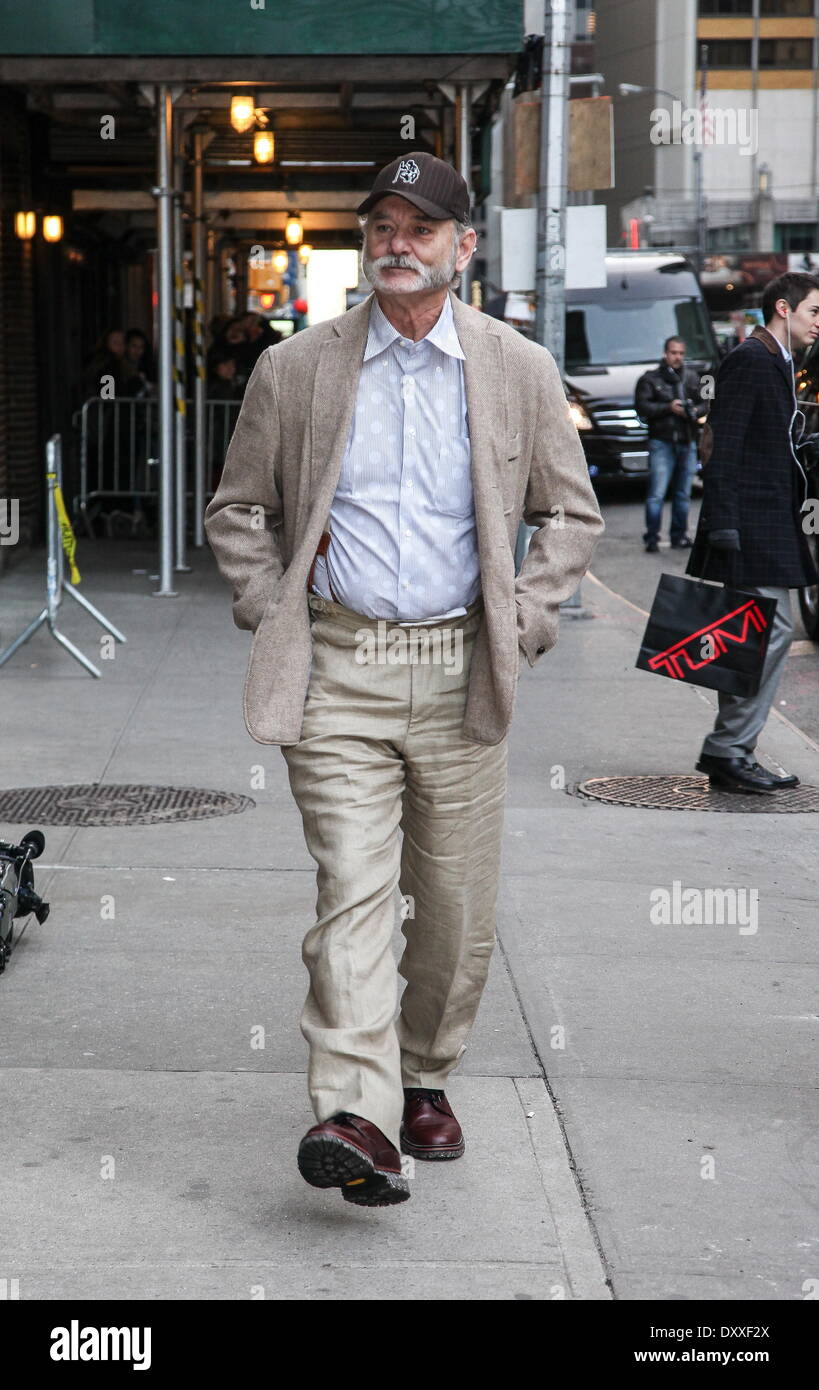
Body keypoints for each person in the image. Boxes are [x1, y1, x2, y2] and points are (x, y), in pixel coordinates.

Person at [204, 151, 604, 1208]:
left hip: (465, 668)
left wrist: (522, 620)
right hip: (338, 665)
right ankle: (357, 1114)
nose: (396, 241)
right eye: (381, 223)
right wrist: (270, 602)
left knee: (457, 906)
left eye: (421, 227)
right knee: (353, 893)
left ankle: (425, 1073)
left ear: (463, 248)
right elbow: (237, 509)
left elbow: (571, 511)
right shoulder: (297, 368)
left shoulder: (513, 367)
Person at [686, 270, 819, 793]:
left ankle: (733, 748)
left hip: (768, 522)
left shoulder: (781, 362)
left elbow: (770, 441)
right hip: (749, 525)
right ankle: (728, 750)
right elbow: (724, 448)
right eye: (814, 311)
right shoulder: (752, 360)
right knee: (763, 634)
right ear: (784, 309)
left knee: (760, 634)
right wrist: (724, 528)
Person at [636, 336, 702, 552]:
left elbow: (706, 403)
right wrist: (668, 407)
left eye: (681, 353)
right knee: (657, 493)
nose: (677, 357)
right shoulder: (650, 378)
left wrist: (692, 411)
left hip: (686, 440)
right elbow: (642, 408)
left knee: (683, 493)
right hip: (662, 441)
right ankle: (652, 537)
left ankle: (679, 535)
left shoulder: (691, 378)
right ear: (666, 353)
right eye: (674, 353)